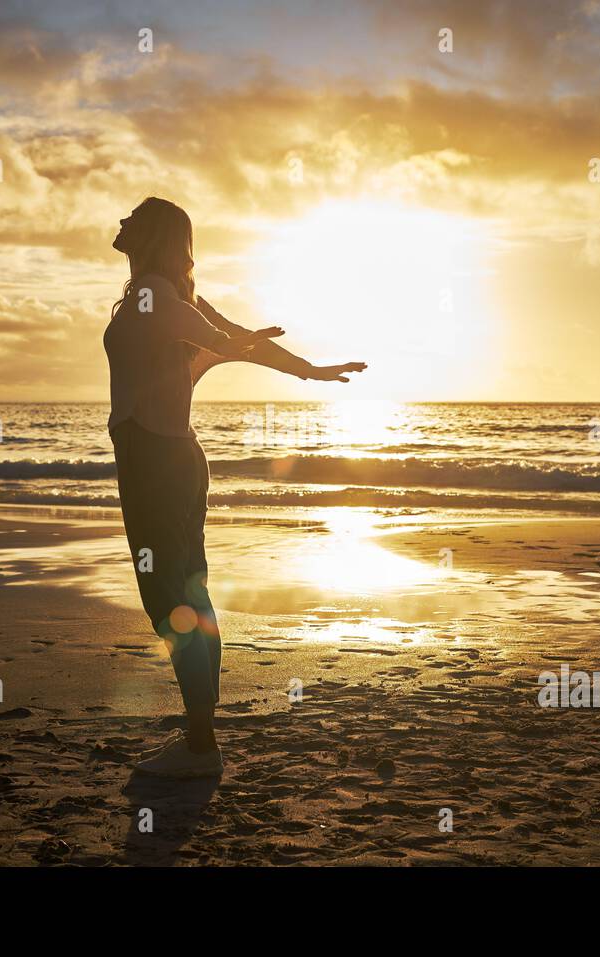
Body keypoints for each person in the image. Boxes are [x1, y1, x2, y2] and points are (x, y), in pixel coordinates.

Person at [104, 196, 367, 778]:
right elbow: (237, 338)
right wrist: (304, 367)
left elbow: (234, 343)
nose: (120, 223)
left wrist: (307, 369)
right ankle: (200, 738)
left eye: (133, 219)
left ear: (152, 235)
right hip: (166, 458)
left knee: (171, 596)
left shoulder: (158, 301)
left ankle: (200, 746)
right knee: (185, 591)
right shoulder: (165, 298)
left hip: (156, 460)